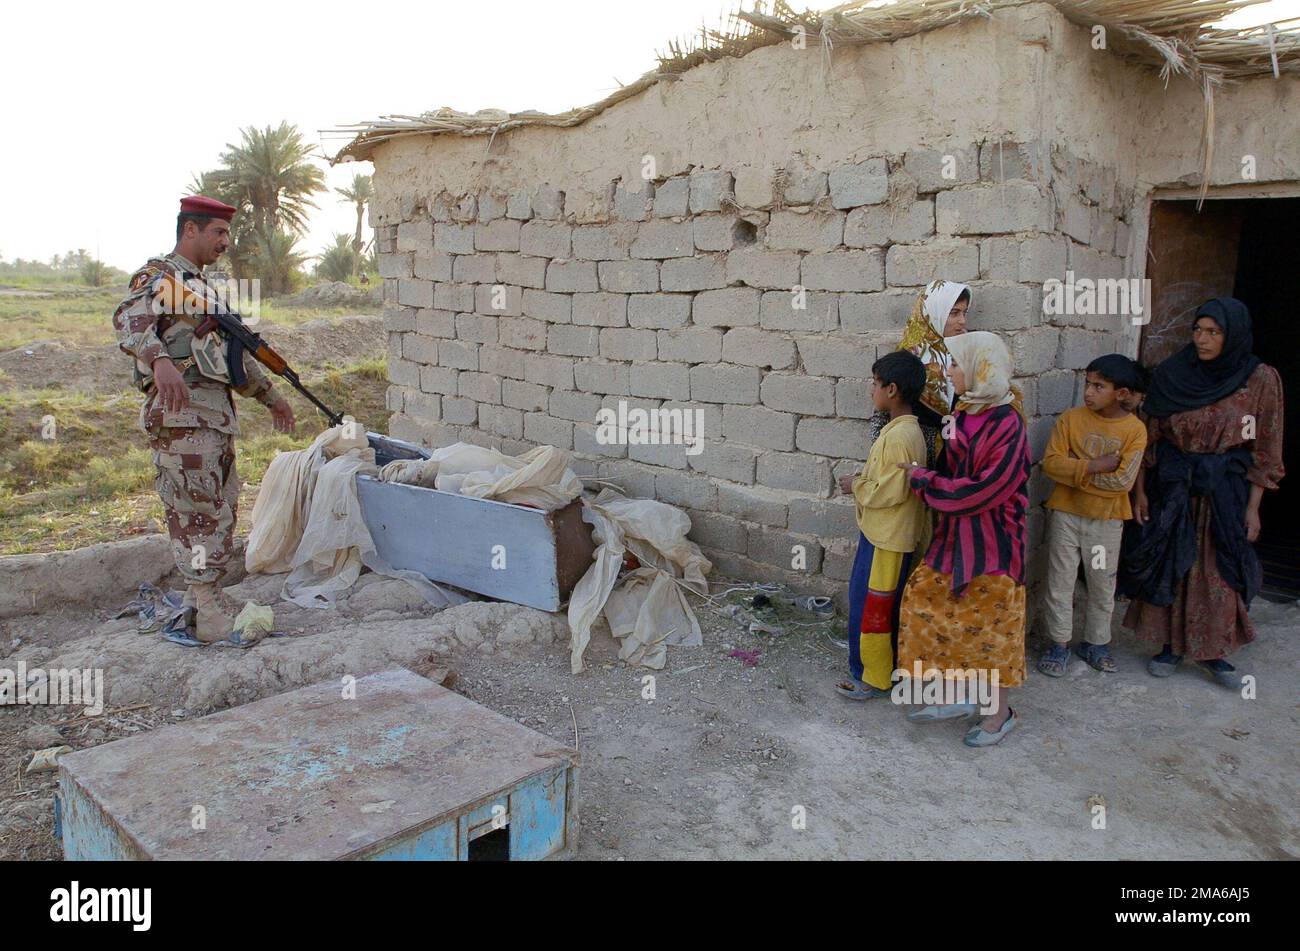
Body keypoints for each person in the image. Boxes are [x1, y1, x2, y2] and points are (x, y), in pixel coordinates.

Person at [113, 195, 296, 643]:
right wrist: (159, 361)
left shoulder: (207, 291)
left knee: (219, 508)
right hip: (180, 419)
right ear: (189, 230)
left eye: (227, 234)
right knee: (195, 512)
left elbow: (232, 360)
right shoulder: (160, 276)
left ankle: (201, 600)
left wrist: (272, 396)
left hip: (213, 419)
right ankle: (207, 605)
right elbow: (127, 318)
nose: (225, 242)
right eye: (218, 232)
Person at [1120, 298, 1284, 687]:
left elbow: (1267, 446)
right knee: (1170, 561)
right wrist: (1140, 494)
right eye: (1198, 329)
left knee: (1218, 569)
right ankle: (1169, 646)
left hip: (1225, 489)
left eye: (1214, 332)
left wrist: (1254, 508)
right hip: (1175, 486)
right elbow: (1148, 440)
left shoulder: (1259, 379)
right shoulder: (1172, 375)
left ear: (1233, 335)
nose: (1203, 339)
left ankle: (1213, 651)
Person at [894, 332, 1030, 747]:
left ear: (980, 368)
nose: (949, 372)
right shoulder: (962, 413)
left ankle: (999, 714)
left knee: (991, 627)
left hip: (993, 544)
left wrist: (923, 480)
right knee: (932, 607)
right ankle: (954, 695)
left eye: (956, 364)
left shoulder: (1009, 423)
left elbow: (985, 489)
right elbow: (952, 465)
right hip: (953, 537)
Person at [1037, 354, 1148, 676]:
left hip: (1105, 522)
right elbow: (1051, 465)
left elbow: (1122, 482)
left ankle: (1095, 642)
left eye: (1099, 386)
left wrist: (1074, 469)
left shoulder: (1134, 430)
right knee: (1060, 582)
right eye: (1088, 384)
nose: (1089, 391)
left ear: (1122, 393)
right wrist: (1095, 465)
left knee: (1101, 584)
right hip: (1066, 516)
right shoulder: (1070, 419)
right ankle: (1058, 644)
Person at [835, 351, 930, 700]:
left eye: (875, 384)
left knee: (871, 607)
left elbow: (890, 490)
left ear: (891, 389)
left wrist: (855, 485)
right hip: (885, 535)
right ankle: (875, 668)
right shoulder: (903, 431)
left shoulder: (899, 437)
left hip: (886, 539)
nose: (871, 391)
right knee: (875, 603)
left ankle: (872, 678)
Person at [865, 279, 971, 465]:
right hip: (914, 457)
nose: (962, 321)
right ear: (933, 313)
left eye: (964, 312)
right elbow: (882, 416)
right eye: (953, 313)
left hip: (959, 460)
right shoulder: (906, 359)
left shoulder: (966, 357)